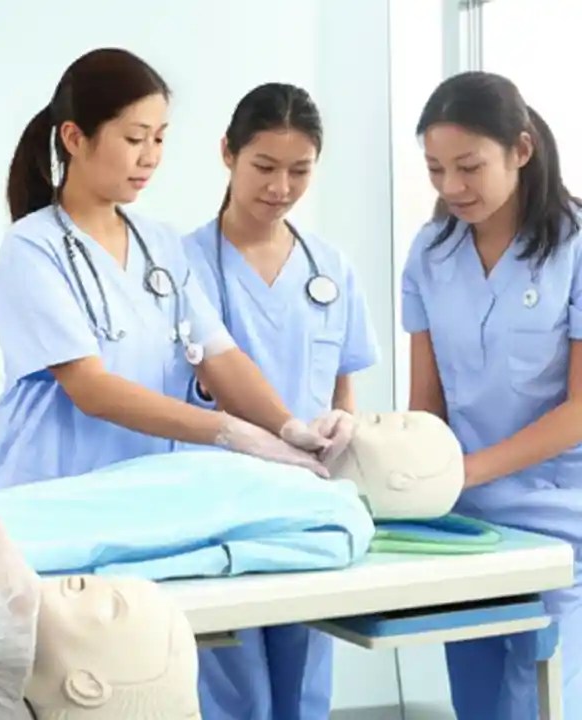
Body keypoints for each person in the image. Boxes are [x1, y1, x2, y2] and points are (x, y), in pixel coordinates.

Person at [0, 48, 352, 494]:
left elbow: (219, 357)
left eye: (159, 138)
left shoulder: (159, 245)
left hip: (141, 500)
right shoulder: (32, 247)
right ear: (75, 138)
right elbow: (91, 388)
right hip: (52, 495)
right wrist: (227, 430)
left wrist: (289, 427)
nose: (150, 157)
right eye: (135, 139)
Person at [182, 83, 380, 720]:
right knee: (230, 685)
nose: (281, 187)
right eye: (264, 167)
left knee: (306, 682)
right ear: (228, 155)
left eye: (300, 171)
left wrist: (345, 417)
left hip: (308, 503)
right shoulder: (180, 262)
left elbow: (342, 375)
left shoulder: (330, 265)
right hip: (217, 502)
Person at [404, 70, 582, 719]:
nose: (452, 187)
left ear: (522, 150)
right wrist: (409, 474)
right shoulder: (430, 252)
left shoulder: (576, 249)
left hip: (561, 525)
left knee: (537, 704)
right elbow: (427, 404)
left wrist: (467, 469)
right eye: (435, 169)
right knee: (476, 707)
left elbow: (581, 411)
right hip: (465, 526)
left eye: (469, 167)